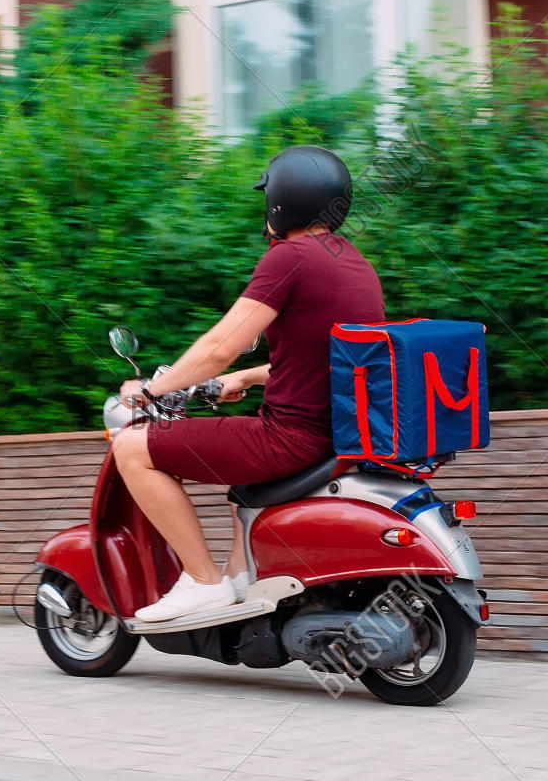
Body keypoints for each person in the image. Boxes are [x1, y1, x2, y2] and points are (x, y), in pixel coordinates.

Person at [113, 145, 385, 622]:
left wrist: (151, 391)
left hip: (291, 439)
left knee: (133, 448)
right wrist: (241, 379)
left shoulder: (289, 257)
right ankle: (242, 580)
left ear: (281, 202)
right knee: (233, 452)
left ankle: (202, 581)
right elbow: (325, 360)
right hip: (338, 435)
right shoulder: (355, 263)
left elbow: (221, 344)